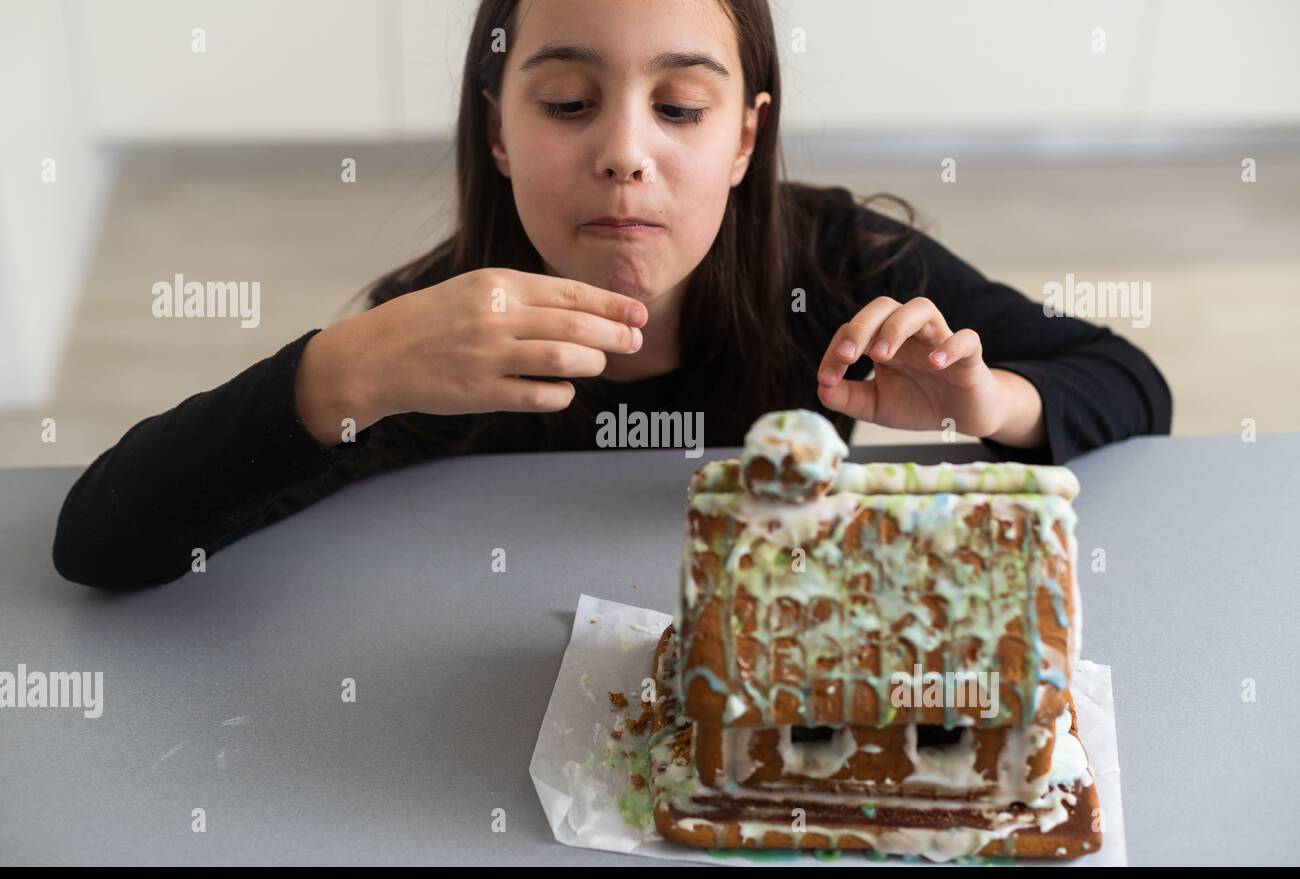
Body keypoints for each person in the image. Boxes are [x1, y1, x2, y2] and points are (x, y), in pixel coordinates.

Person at [52, 0, 1171, 590]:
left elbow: (1129, 381)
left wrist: (995, 403)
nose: (625, 154)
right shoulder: (435, 338)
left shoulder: (837, 265)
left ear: (746, 137)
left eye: (679, 107)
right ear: (498, 129)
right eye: (568, 102)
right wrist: (337, 373)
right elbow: (102, 541)